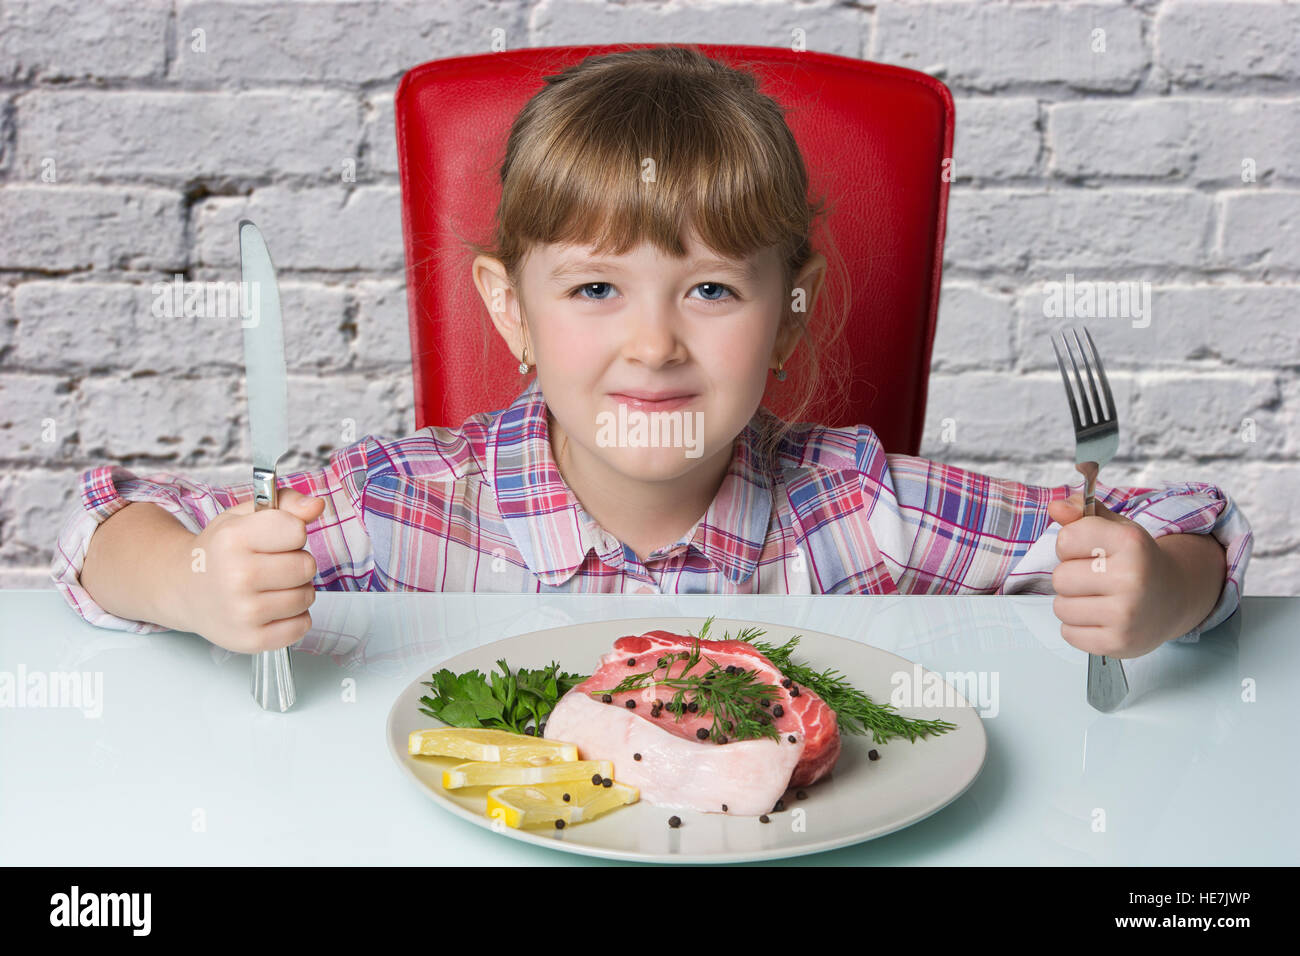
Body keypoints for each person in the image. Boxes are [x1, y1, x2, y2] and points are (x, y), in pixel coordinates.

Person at [50, 46, 1252, 661]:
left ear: (790, 309)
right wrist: (195, 583)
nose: (652, 342)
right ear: (508, 309)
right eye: (592, 286)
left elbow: (1179, 515)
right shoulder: (403, 509)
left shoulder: (860, 509)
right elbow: (101, 524)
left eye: (715, 287)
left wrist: (1162, 583)